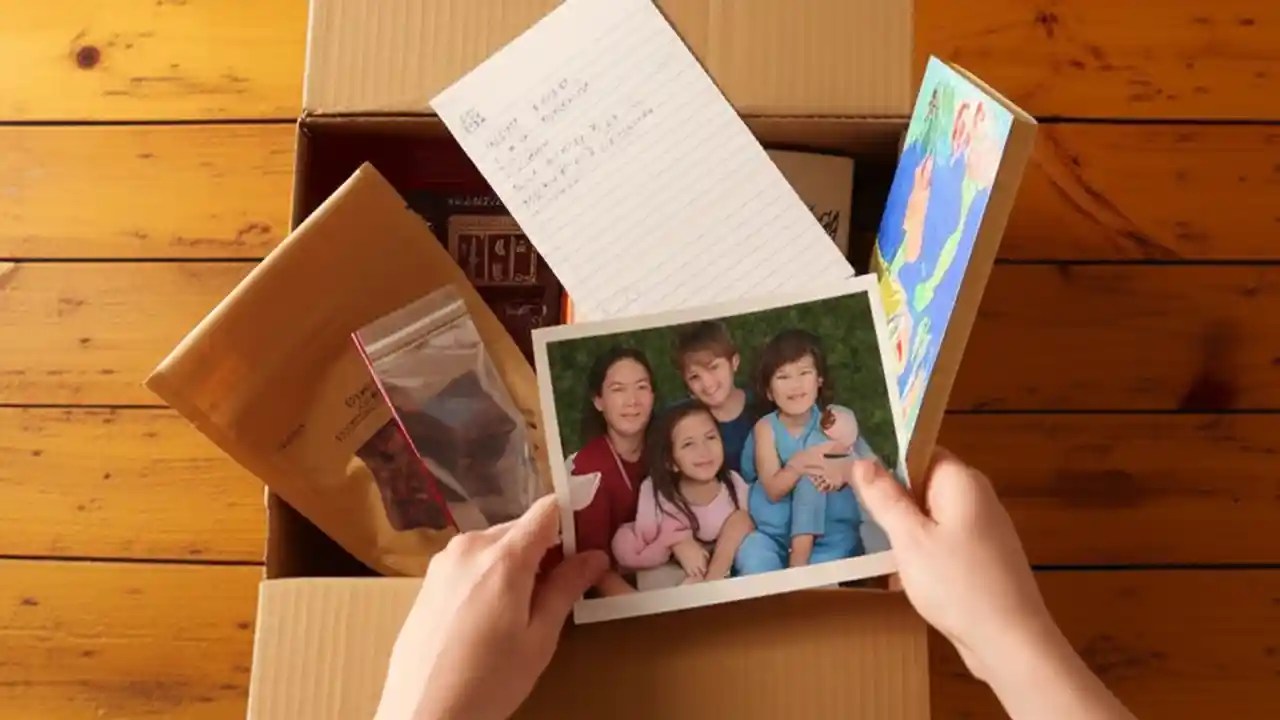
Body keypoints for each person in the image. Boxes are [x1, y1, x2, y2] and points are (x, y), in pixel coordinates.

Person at [372, 446, 1139, 720]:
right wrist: (1008, 640)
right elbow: (628, 555)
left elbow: (749, 521)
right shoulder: (655, 495)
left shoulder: (742, 482)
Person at [736, 329, 862, 572]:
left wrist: (840, 473)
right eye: (783, 377)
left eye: (804, 373)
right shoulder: (766, 428)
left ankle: (805, 571)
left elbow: (857, 465)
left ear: (819, 380)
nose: (795, 385)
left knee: (824, 571)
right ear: (769, 390)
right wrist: (798, 464)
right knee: (752, 555)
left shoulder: (833, 423)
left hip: (828, 535)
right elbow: (772, 489)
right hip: (774, 534)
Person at [610, 402, 754, 584]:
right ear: (671, 462)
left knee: (740, 523)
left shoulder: (733, 483)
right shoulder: (657, 491)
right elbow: (646, 534)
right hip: (675, 565)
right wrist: (678, 543)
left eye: (710, 438)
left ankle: (711, 583)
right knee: (654, 577)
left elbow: (750, 524)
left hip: (724, 564)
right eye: (688, 444)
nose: (704, 451)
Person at [563, 346, 656, 597]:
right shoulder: (588, 471)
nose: (632, 400)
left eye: (641, 387)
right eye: (618, 390)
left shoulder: (666, 447)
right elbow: (591, 567)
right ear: (598, 401)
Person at [671, 320, 758, 476]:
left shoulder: (764, 405)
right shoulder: (684, 423)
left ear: (734, 362)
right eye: (695, 377)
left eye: (713, 367)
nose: (707, 383)